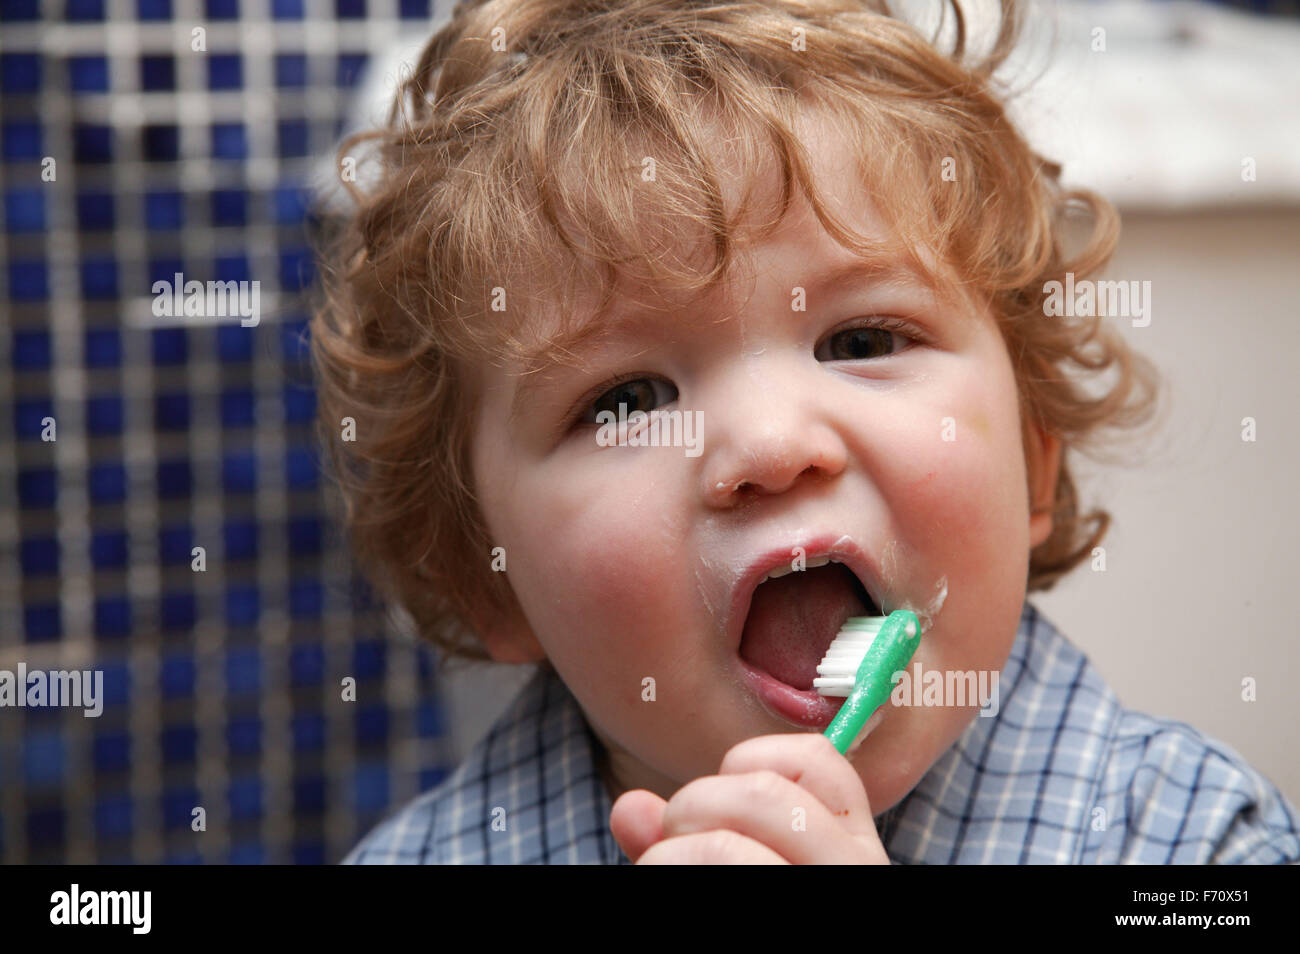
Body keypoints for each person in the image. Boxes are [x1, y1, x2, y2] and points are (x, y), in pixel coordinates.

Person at [311, 0, 1299, 863]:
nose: (772, 447)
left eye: (863, 337)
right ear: (493, 582)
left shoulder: (1195, 843)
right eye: (624, 402)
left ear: (1036, 465)